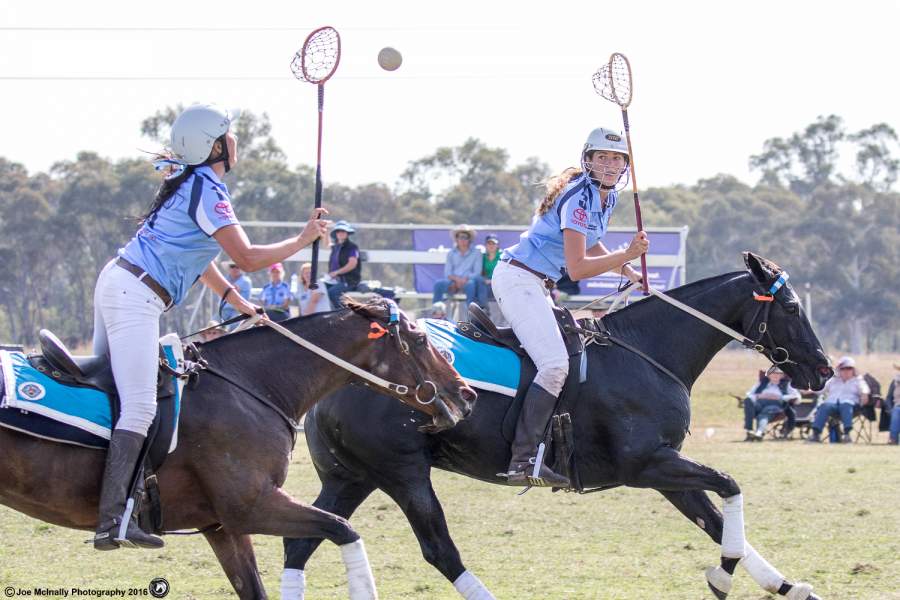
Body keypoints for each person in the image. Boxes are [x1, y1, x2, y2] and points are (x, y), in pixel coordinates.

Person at [90, 103, 329, 550]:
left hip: (122, 282)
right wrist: (303, 239)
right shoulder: (207, 189)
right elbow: (247, 258)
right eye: (228, 134)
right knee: (139, 406)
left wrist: (237, 301)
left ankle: (89, 485)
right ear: (215, 146)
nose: (235, 140)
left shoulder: (192, 182)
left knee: (109, 390)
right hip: (134, 294)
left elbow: (201, 259)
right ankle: (113, 519)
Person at [493, 127, 648, 486]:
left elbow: (589, 243)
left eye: (617, 159)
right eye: (602, 157)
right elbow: (577, 268)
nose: (610, 164)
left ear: (625, 165)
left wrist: (627, 269)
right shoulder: (578, 197)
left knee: (573, 356)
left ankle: (554, 445)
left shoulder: (605, 197)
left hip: (537, 284)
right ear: (588, 160)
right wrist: (626, 254)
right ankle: (522, 460)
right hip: (519, 279)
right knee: (554, 365)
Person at [807, 356, 870, 443]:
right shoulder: (833, 380)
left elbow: (865, 390)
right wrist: (807, 390)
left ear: (853, 370)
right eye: (843, 368)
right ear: (839, 369)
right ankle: (816, 434)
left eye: (849, 368)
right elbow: (820, 389)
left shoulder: (858, 380)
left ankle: (847, 435)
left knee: (846, 404)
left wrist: (864, 395)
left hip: (851, 407)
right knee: (824, 405)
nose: (846, 371)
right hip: (833, 406)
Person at [432, 224, 481, 319]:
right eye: (460, 237)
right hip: (453, 281)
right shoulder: (451, 253)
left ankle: (470, 317)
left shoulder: (476, 253)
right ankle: (436, 315)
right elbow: (447, 273)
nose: (462, 239)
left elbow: (477, 272)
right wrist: (456, 280)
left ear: (469, 239)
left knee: (471, 285)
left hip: (468, 281)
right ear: (456, 239)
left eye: (465, 237)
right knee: (438, 284)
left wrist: (464, 280)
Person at [742, 366, 800, 441]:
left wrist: (780, 397)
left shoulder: (787, 385)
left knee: (764, 414)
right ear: (769, 375)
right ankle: (749, 429)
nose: (775, 375)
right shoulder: (761, 383)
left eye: (778, 374)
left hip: (775, 405)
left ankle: (759, 433)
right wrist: (759, 396)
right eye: (773, 373)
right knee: (748, 401)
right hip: (759, 404)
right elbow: (749, 394)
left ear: (782, 375)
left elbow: (797, 397)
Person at [325, 220, 363, 308]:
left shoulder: (352, 247)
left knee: (332, 293)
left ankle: (343, 313)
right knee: (319, 290)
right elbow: (326, 244)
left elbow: (352, 264)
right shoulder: (335, 246)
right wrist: (326, 230)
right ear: (336, 233)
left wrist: (336, 272)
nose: (340, 233)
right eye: (338, 231)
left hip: (349, 281)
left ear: (347, 233)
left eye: (343, 231)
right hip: (334, 280)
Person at [220, 261, 252, 326]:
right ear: (229, 268)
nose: (235, 269)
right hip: (224, 310)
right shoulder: (224, 279)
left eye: (237, 267)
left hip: (238, 310)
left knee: (233, 326)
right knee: (212, 324)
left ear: (241, 269)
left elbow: (245, 299)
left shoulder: (246, 281)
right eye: (232, 266)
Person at [475, 233, 501, 310]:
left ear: (497, 245)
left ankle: (484, 308)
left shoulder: (502, 256)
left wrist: (491, 280)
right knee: (479, 282)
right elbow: (479, 272)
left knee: (482, 287)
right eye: (489, 243)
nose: (491, 246)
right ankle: (483, 308)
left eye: (493, 243)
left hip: (498, 282)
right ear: (485, 245)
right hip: (485, 282)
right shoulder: (482, 256)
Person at [887, 363, 900, 445]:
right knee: (896, 411)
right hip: (898, 406)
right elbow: (888, 397)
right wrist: (889, 408)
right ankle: (893, 439)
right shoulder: (895, 381)